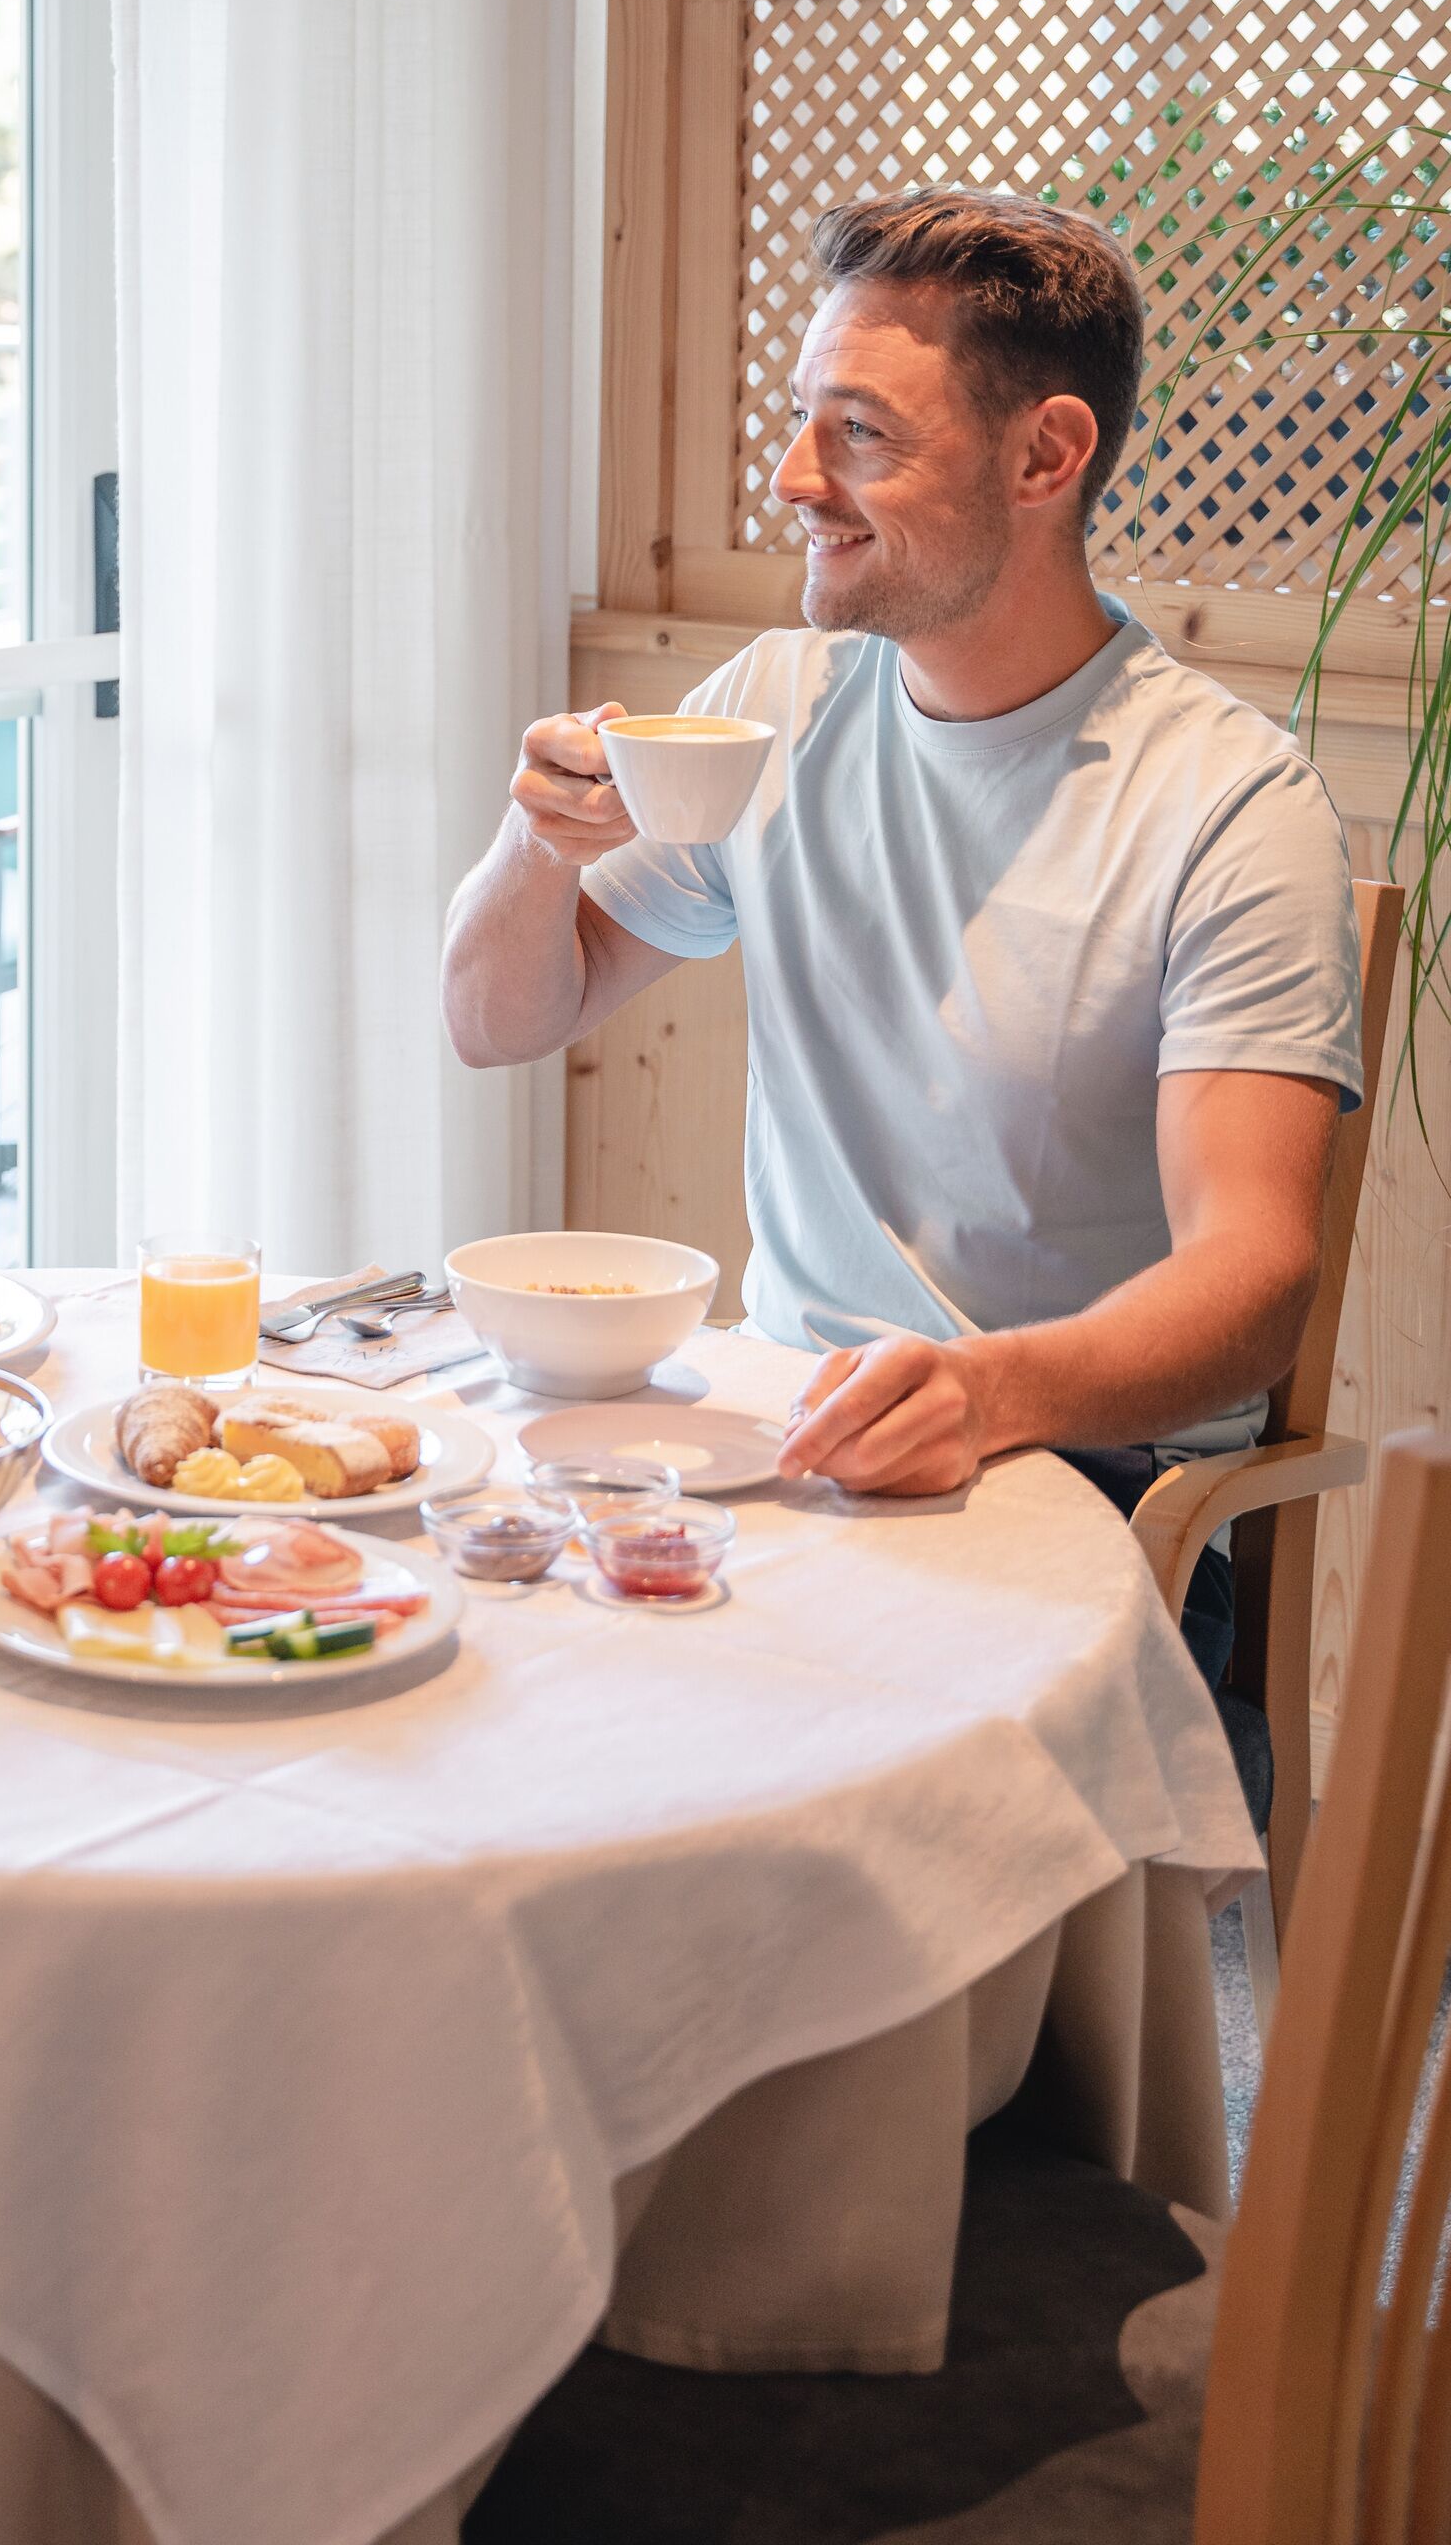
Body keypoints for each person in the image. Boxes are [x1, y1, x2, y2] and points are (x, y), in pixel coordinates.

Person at [442, 189, 1363, 1688]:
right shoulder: (770, 706)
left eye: (861, 433)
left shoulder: (1228, 804)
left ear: (1045, 457)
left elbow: (1253, 1282)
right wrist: (537, 839)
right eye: (803, 422)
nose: (797, 479)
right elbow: (495, 1017)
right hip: (782, 1441)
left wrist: (986, 1393)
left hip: (1095, 1483)